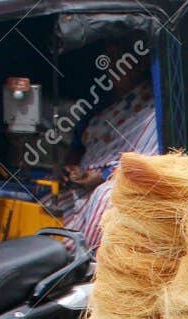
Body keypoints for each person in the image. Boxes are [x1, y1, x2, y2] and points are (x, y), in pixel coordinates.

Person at [45, 42, 157, 250]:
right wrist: (69, 168)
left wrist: (103, 176)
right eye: (109, 57)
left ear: (140, 64)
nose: (112, 66)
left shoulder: (154, 105)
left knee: (103, 198)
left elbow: (153, 160)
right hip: (81, 183)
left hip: (123, 182)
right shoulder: (99, 102)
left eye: (118, 57)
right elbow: (78, 145)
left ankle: (85, 259)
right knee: (45, 198)